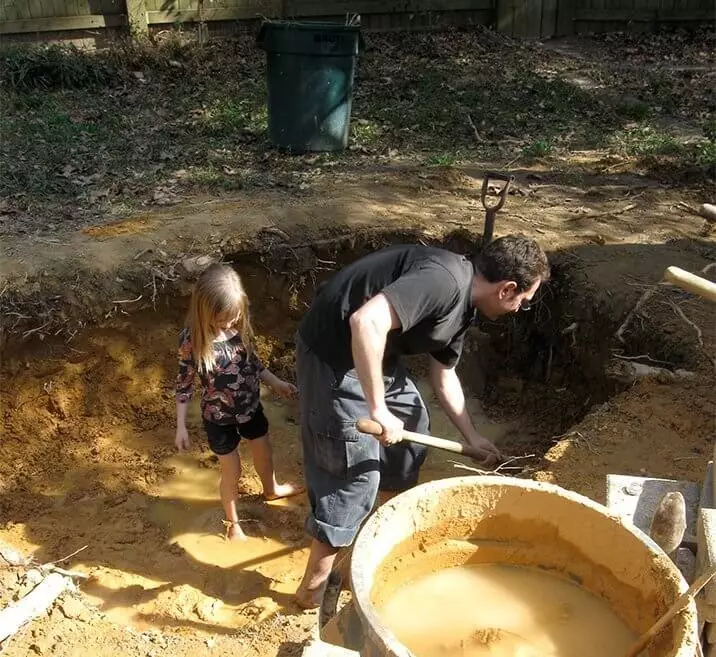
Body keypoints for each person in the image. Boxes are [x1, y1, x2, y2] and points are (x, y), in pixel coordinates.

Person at [293, 235, 550, 607]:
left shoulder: (465, 307)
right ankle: (311, 593)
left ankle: (367, 544)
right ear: (507, 289)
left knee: (412, 435)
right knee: (352, 475)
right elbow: (365, 322)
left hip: (376, 358)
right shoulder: (443, 281)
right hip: (334, 356)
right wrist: (378, 409)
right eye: (523, 302)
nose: (518, 309)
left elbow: (444, 376)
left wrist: (472, 437)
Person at [175, 263, 302, 541]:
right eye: (223, 320)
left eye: (234, 317)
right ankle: (233, 523)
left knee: (264, 452)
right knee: (232, 471)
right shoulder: (192, 341)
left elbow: (253, 364)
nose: (230, 324)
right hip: (219, 419)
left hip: (250, 408)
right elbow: (184, 384)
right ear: (204, 311)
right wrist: (181, 426)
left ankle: (271, 488)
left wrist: (276, 383)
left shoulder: (239, 329)